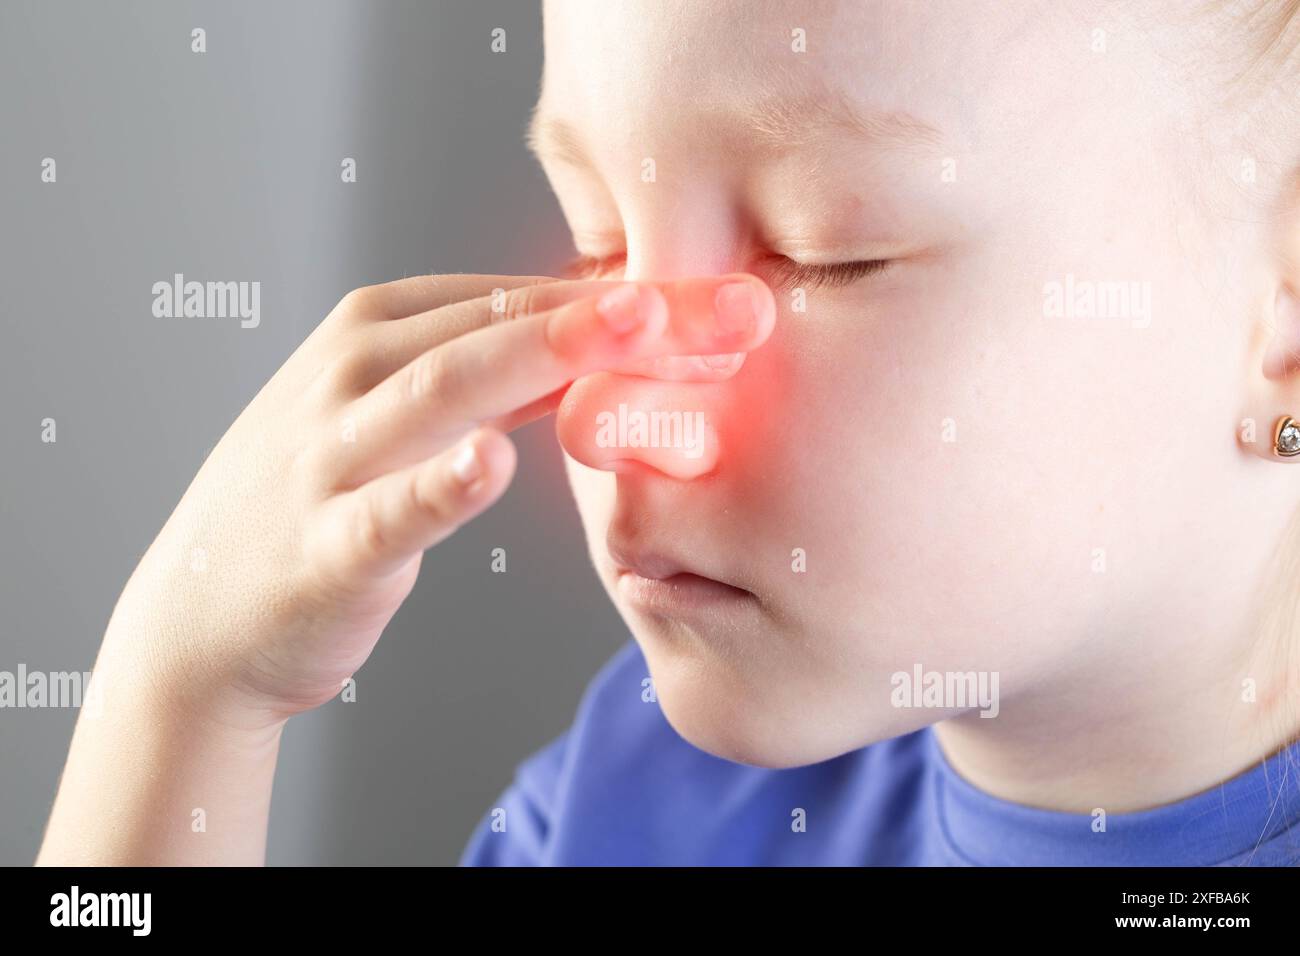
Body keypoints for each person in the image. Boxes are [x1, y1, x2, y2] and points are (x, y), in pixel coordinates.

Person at [38, 1, 1300, 866]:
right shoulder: (627, 804)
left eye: (825, 252)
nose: (621, 416)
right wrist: (186, 702)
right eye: (594, 238)